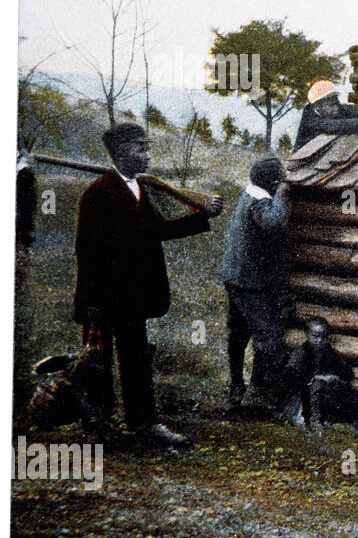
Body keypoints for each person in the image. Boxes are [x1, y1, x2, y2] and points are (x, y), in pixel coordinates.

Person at [73, 123, 224, 445]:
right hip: (102, 297)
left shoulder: (139, 189)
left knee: (136, 359)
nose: (147, 155)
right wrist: (92, 303)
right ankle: (96, 426)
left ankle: (142, 424)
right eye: (140, 149)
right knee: (96, 361)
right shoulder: (97, 193)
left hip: (132, 296)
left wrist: (203, 216)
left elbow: (158, 231)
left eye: (147, 148)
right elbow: (87, 251)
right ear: (121, 151)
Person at [219, 156, 289, 411]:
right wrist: (281, 194)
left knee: (238, 333)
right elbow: (275, 222)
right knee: (267, 337)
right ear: (272, 181)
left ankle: (237, 386)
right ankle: (255, 393)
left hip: (237, 277)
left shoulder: (249, 195)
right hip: (249, 282)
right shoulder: (258, 202)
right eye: (279, 178)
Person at [284, 317, 358, 432]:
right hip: (303, 397)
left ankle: (355, 425)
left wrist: (335, 377)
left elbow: (346, 373)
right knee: (316, 386)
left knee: (350, 394)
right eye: (315, 336)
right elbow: (290, 375)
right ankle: (314, 421)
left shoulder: (330, 352)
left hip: (325, 392)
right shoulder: (301, 353)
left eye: (323, 337)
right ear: (307, 334)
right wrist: (312, 378)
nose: (319, 340)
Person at [293, 80, 358, 149]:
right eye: (331, 105)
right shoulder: (309, 121)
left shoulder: (335, 107)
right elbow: (333, 125)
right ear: (318, 107)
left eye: (336, 102)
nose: (336, 108)